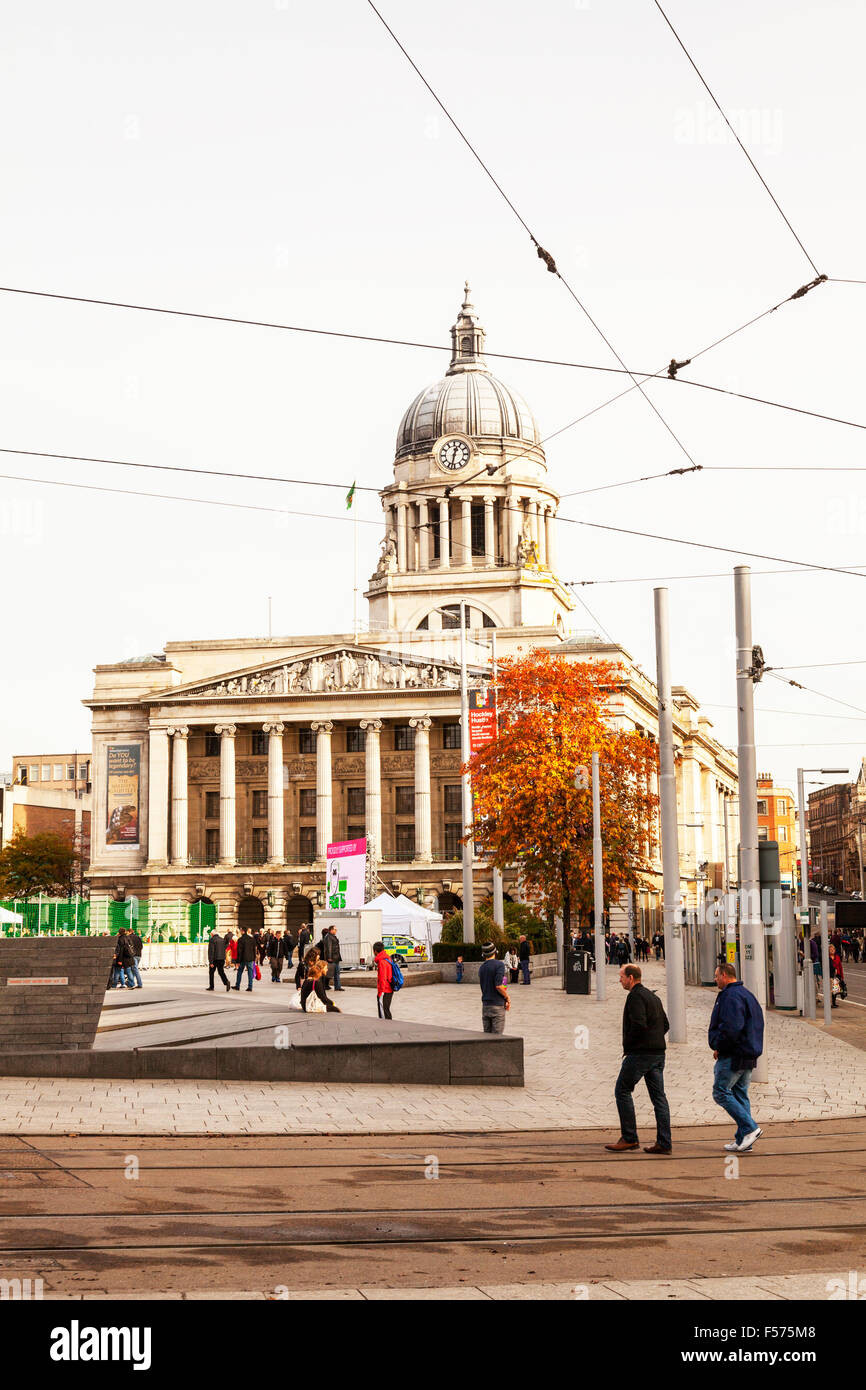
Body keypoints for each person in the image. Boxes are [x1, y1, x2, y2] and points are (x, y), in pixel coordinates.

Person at [605, 964, 672, 1155]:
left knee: (622, 1090)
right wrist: (655, 1039)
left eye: (621, 977)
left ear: (631, 978)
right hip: (658, 1053)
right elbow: (665, 1024)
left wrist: (631, 1045)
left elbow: (638, 1025)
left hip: (641, 1053)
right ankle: (664, 1143)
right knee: (659, 1097)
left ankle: (629, 1137)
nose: (620, 980)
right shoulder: (653, 996)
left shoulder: (635, 997)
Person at [708, 962, 764, 1152]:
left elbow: (731, 1028)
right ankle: (743, 1140)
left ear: (724, 975)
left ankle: (750, 1128)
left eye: (716, 976)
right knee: (740, 1094)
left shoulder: (730, 996)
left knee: (721, 1091)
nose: (715, 979)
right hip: (748, 1052)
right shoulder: (746, 994)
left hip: (734, 1054)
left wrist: (719, 1047)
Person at [478, 941, 510, 1033]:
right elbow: (499, 985)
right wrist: (507, 997)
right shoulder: (499, 965)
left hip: (486, 1005)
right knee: (497, 1039)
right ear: (495, 952)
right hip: (497, 1005)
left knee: (487, 1038)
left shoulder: (482, 968)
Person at [373, 941, 394, 1020]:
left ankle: (386, 1029)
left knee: (383, 1014)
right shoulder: (388, 958)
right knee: (386, 1010)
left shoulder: (382, 962)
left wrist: (380, 992)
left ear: (375, 951)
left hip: (385, 990)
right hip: (390, 988)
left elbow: (383, 978)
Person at [233, 924, 256, 992]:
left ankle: (237, 986)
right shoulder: (252, 939)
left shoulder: (240, 939)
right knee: (250, 973)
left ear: (243, 931)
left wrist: (237, 961)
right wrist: (254, 958)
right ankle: (250, 987)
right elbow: (254, 949)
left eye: (241, 931)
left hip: (243, 959)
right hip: (250, 958)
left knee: (239, 972)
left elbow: (239, 951)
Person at [323, 925, 343, 991]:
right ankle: (337, 987)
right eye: (335, 929)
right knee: (332, 973)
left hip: (335, 957)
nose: (336, 931)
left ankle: (337, 986)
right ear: (331, 930)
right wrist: (329, 957)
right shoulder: (329, 937)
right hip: (333, 958)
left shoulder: (331, 936)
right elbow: (329, 947)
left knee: (335, 973)